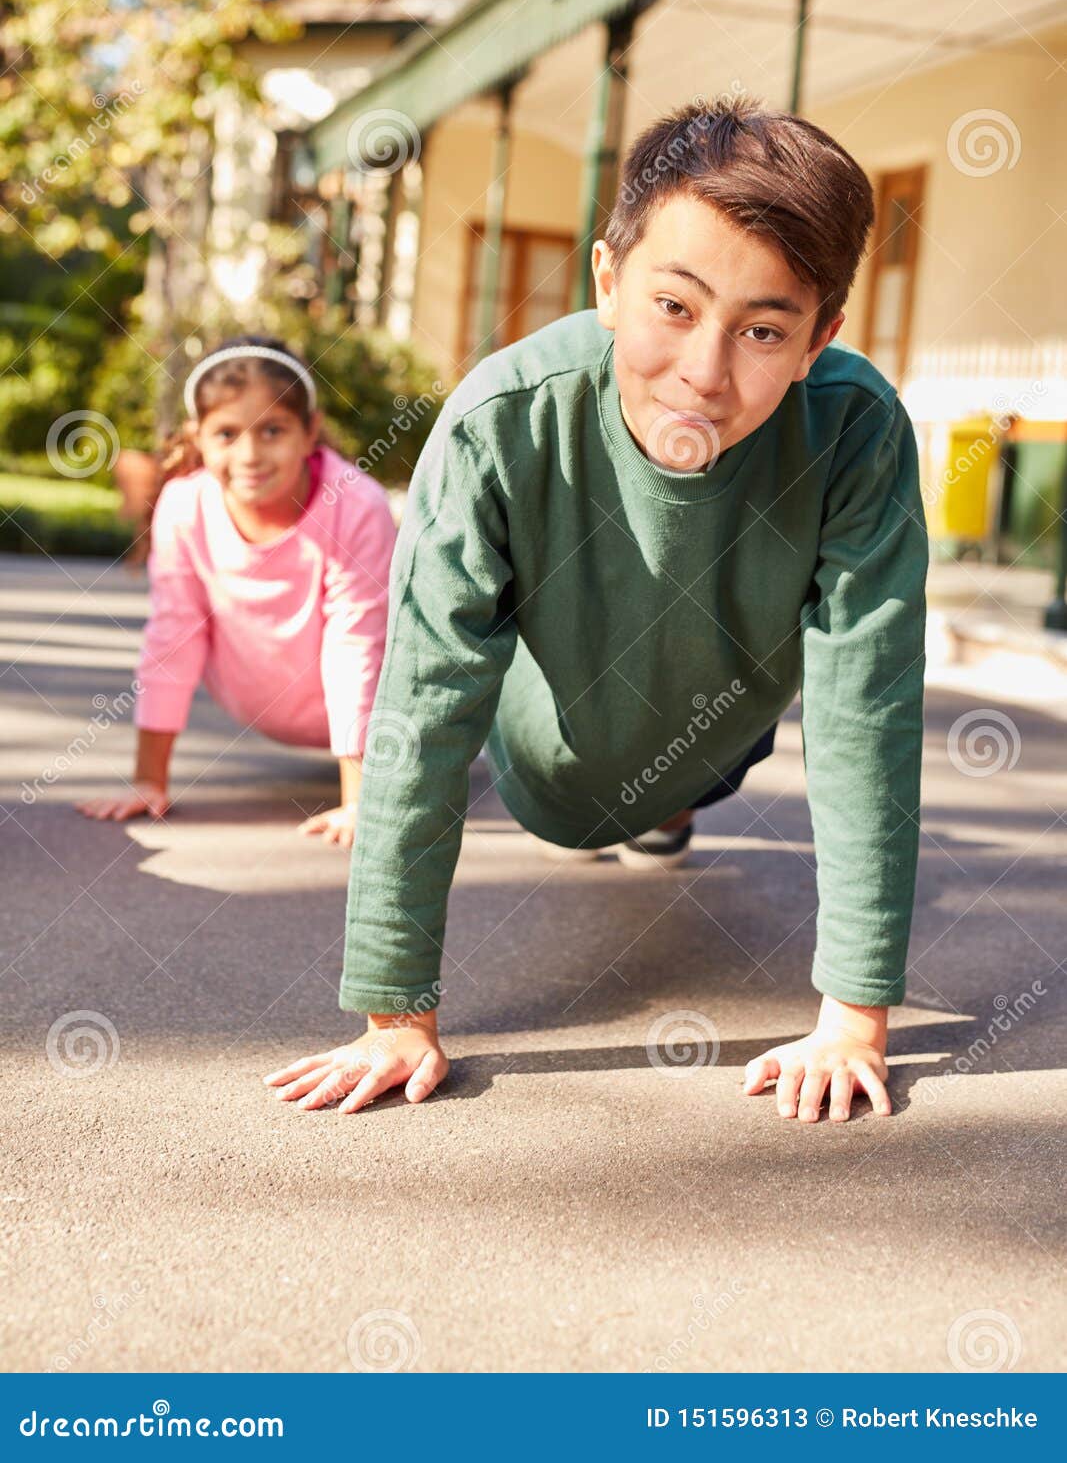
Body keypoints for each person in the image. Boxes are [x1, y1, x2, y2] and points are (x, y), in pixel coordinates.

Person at [265, 93, 928, 1121]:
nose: (703, 374)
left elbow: (864, 708)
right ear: (607, 280)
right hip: (544, 759)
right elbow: (427, 699)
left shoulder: (856, 431)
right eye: (673, 307)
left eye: (762, 329)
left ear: (818, 338)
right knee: (571, 801)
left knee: (679, 764)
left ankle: (663, 804)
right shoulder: (499, 421)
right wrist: (393, 1007)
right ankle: (633, 800)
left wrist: (853, 1015)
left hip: (716, 737)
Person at [77, 338, 396, 850]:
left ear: (310, 431)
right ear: (196, 438)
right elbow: (173, 638)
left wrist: (358, 799)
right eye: (226, 433)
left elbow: (357, 644)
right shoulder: (184, 506)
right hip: (263, 702)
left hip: (389, 716)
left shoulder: (355, 503)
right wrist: (149, 780)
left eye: (273, 430)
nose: (249, 455)